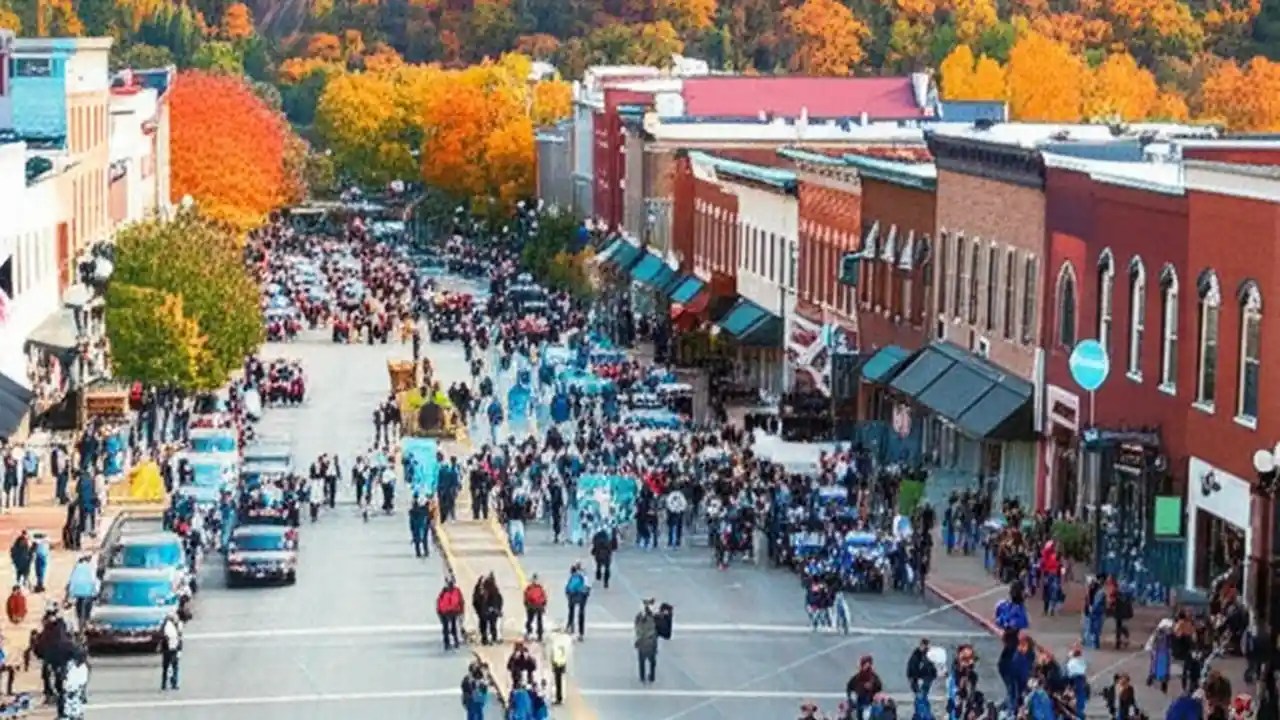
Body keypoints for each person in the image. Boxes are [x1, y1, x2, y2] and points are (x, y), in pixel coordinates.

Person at [65, 556, 98, 628]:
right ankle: (86, 624)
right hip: (89, 593)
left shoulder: (77, 567)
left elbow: (71, 582)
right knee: (88, 612)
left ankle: (81, 627)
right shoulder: (91, 567)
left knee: (79, 613)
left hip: (78, 593)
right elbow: (94, 581)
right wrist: (96, 592)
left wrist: (68, 597)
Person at [634, 598, 659, 684]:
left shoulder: (639, 616)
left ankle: (642, 676)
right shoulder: (653, 617)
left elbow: (637, 628)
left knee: (642, 660)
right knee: (652, 660)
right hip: (651, 640)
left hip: (642, 641)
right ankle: (652, 676)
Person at [437, 577, 465, 650]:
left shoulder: (456, 591)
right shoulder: (443, 592)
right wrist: (440, 612)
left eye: (451, 584)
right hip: (445, 612)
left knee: (454, 627)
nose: (450, 586)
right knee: (446, 628)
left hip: (454, 611)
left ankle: (456, 641)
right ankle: (447, 643)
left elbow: (461, 601)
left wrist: (461, 611)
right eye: (449, 584)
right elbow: (439, 602)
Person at [565, 563, 589, 641]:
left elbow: (568, 587)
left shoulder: (573, 576)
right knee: (581, 613)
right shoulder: (584, 575)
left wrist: (568, 594)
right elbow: (587, 586)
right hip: (582, 595)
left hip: (573, 595)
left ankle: (570, 626)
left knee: (571, 610)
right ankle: (581, 633)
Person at [160, 614, 182, 690]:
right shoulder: (170, 627)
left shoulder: (166, 626)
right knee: (174, 667)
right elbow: (178, 638)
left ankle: (164, 684)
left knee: (167, 667)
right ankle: (173, 683)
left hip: (168, 649)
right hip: (171, 649)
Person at [548, 631, 570, 705]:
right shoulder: (564, 643)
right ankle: (559, 697)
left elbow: (552, 654)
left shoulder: (555, 644)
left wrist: (552, 662)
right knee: (560, 681)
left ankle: (558, 697)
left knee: (557, 681)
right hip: (562, 663)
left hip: (557, 663)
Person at [523, 574, 547, 642]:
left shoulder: (533, 588)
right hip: (535, 606)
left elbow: (526, 597)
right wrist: (543, 604)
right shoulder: (536, 588)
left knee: (535, 620)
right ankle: (535, 633)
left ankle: (535, 633)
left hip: (534, 606)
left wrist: (527, 604)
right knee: (534, 620)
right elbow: (544, 597)